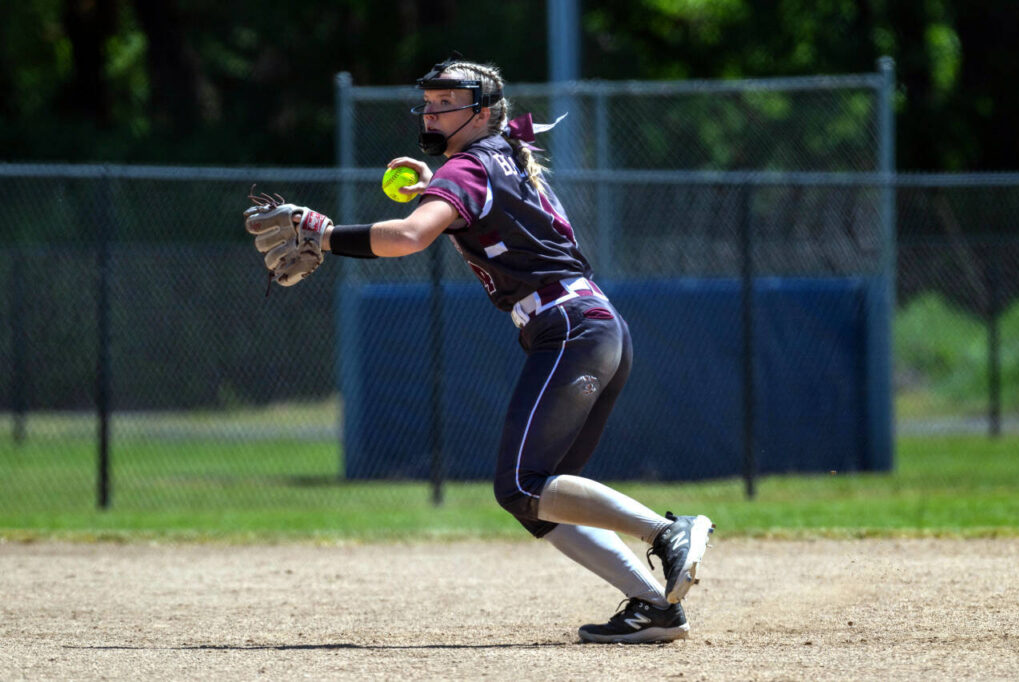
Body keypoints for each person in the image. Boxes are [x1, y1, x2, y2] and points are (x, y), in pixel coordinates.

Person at [244, 54, 714, 644]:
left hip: (568, 325)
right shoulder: (498, 157)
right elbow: (477, 201)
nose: (433, 113)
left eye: (449, 104)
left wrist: (326, 234)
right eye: (430, 103)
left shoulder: (471, 165)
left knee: (520, 484)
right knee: (536, 499)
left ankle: (666, 533)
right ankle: (655, 606)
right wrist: (439, 181)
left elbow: (410, 236)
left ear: (485, 111)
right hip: (591, 323)